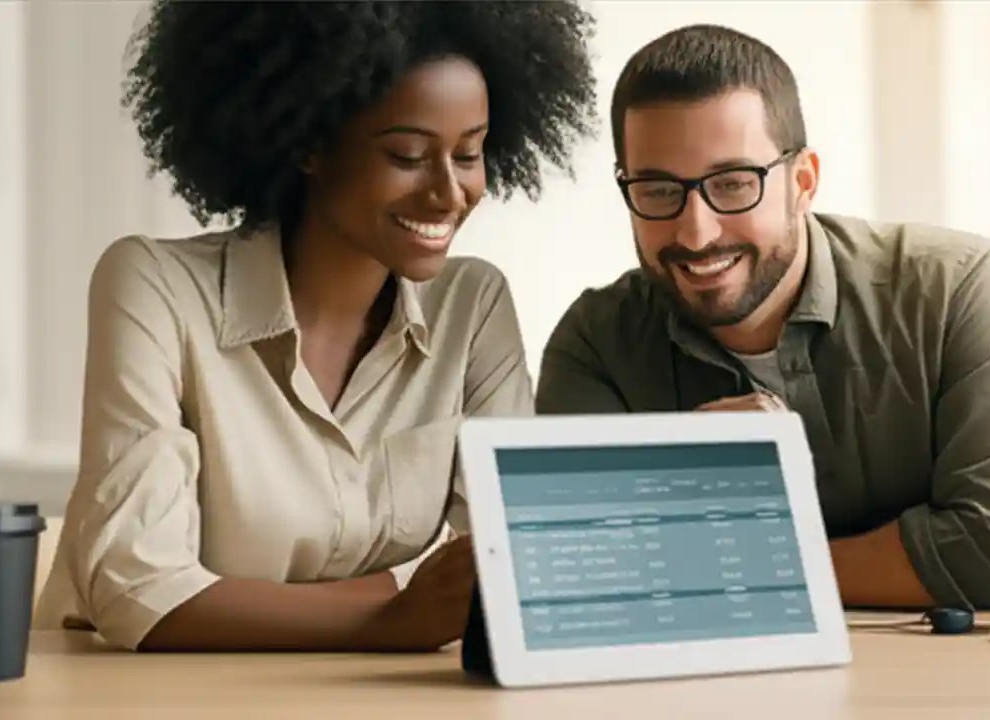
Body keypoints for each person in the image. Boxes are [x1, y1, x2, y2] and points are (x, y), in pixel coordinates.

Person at [35, 0, 597, 652]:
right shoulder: (155, 287)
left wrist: (233, 599)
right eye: (409, 155)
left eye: (469, 154)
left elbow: (501, 568)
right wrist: (391, 618)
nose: (449, 192)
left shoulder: (472, 306)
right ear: (309, 144)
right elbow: (137, 590)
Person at [536, 24, 990, 611]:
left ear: (803, 181)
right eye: (659, 191)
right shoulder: (595, 344)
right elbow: (578, 568)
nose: (697, 231)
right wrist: (687, 474)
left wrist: (700, 548)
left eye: (733, 184)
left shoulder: (960, 289)